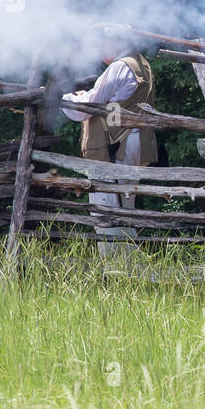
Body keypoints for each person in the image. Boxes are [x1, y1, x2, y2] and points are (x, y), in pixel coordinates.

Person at [61, 34, 158, 257]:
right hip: (134, 142)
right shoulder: (140, 62)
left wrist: (66, 98)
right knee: (123, 207)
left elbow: (88, 106)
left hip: (116, 145)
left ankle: (116, 269)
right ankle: (126, 267)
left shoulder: (120, 66)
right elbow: (111, 101)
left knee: (106, 210)